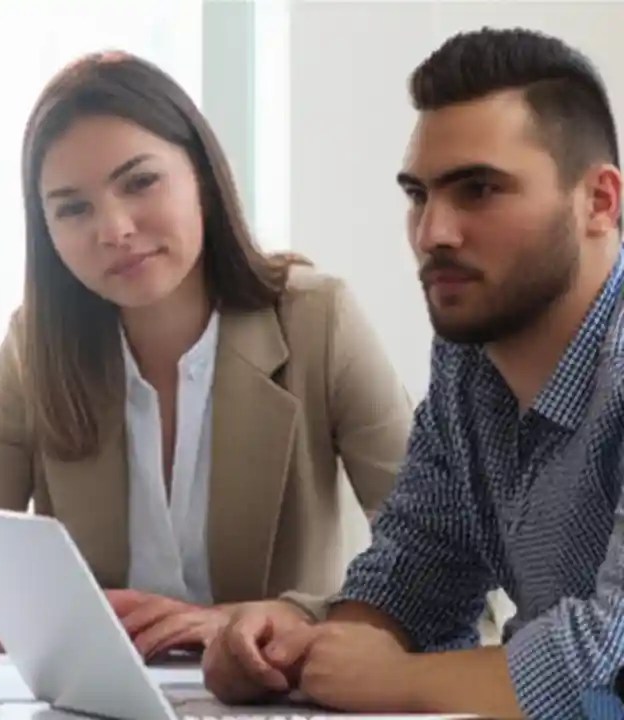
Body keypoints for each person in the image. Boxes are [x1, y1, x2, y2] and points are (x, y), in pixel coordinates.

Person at [0, 50, 414, 688]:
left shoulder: (319, 320)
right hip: (105, 700)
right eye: (73, 209)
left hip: (273, 698)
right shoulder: (37, 347)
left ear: (202, 178)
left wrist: (266, 621)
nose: (115, 229)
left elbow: (437, 565)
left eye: (139, 183)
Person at [202, 27, 624, 719]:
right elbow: (418, 567)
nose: (433, 233)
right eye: (418, 196)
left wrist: (394, 681)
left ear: (599, 203)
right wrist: (300, 649)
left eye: (479, 190)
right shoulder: (469, 362)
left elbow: (611, 661)